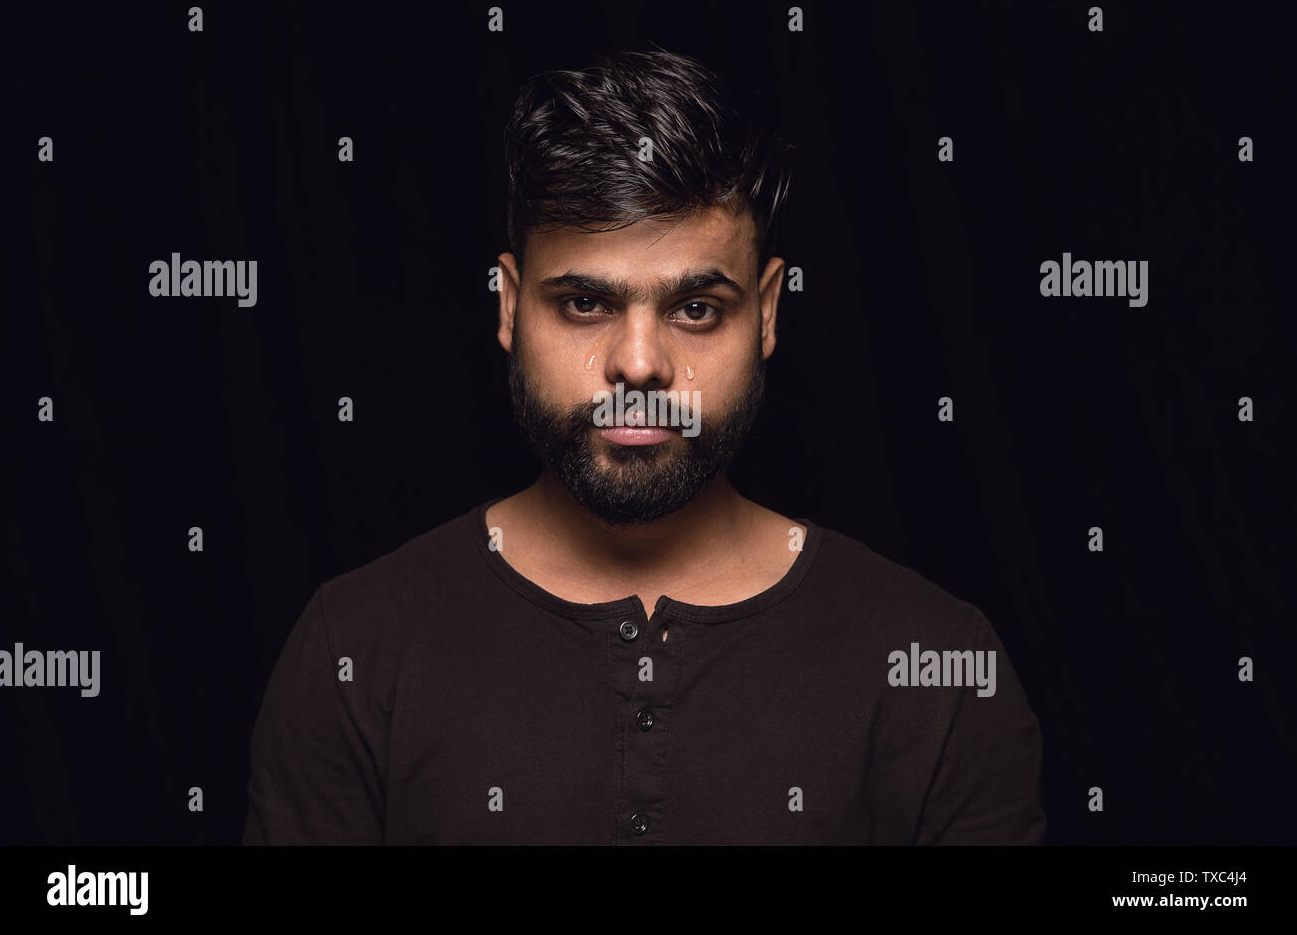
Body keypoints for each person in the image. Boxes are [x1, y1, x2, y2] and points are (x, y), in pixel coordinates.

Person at [243, 48, 1045, 845]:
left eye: (696, 308)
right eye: (586, 302)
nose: (639, 363)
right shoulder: (354, 648)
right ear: (511, 306)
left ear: (766, 312)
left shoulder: (935, 661)